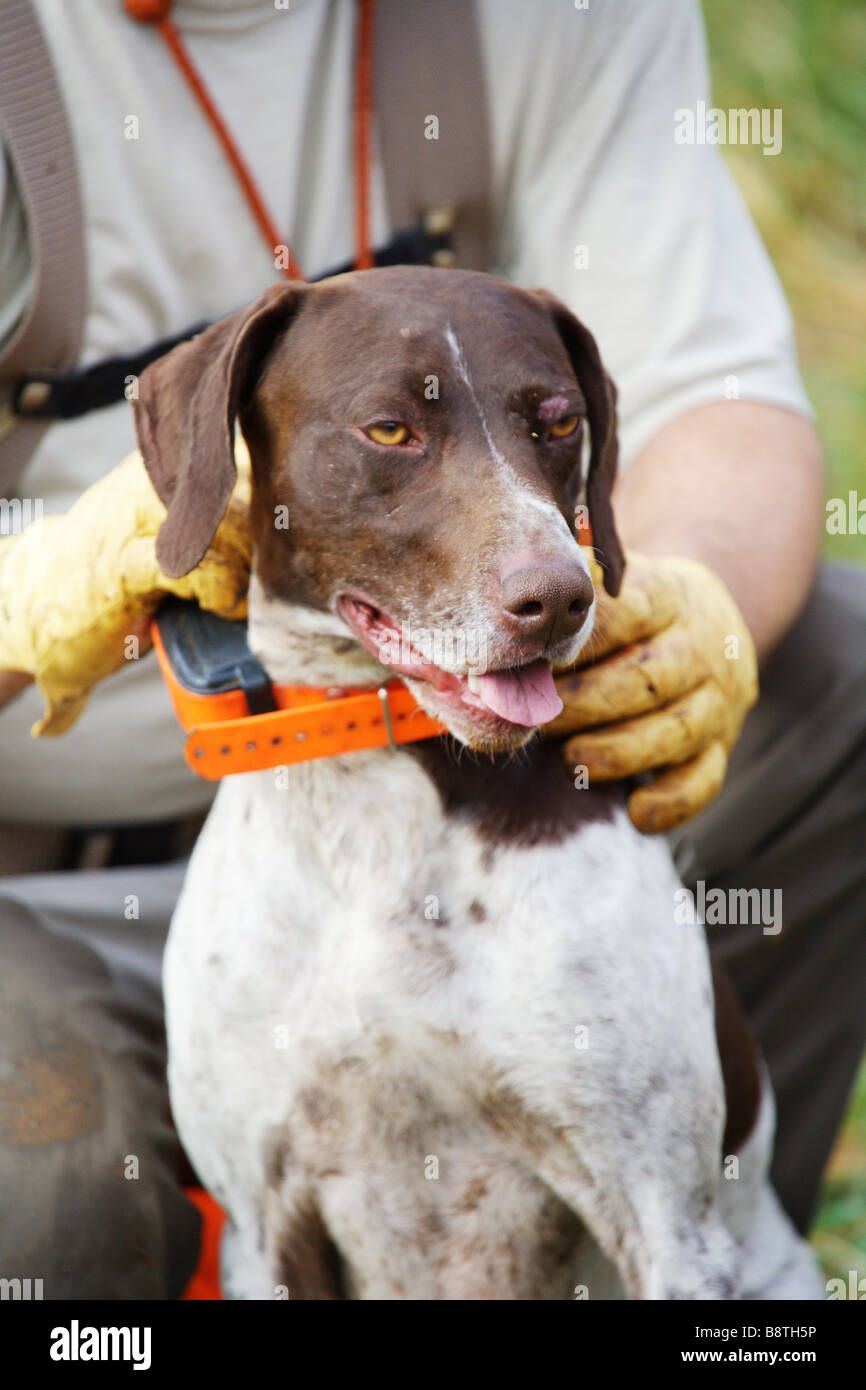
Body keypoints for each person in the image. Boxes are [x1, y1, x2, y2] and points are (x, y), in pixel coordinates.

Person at [0, 0, 861, 1299]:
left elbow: (721, 389)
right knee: (44, 1187)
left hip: (496, 788)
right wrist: (25, 598)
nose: (543, 567)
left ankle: (685, 1183)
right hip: (47, 890)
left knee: (836, 663)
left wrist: (689, 603)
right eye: (392, 433)